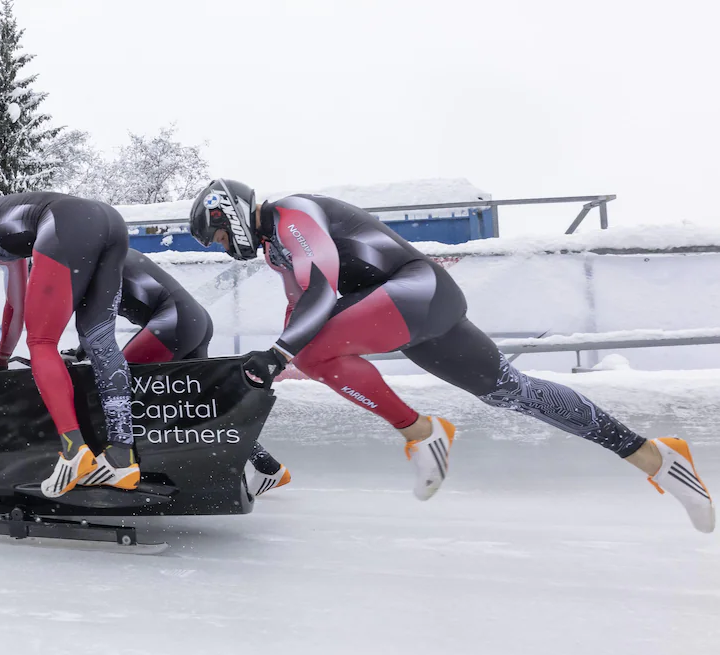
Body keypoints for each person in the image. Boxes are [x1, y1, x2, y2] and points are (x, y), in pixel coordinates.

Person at [189, 179, 714, 533]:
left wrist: (281, 355)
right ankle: (655, 456)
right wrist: (272, 366)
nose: (217, 244)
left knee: (313, 354)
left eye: (214, 232)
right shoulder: (277, 250)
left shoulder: (289, 213)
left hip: (414, 292)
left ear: (226, 211)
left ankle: (421, 433)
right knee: (512, 391)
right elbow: (299, 311)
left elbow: (321, 291)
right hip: (416, 311)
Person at [0, 188, 137, 497]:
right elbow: (16, 303)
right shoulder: (0, 224)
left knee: (41, 341)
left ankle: (74, 450)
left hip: (64, 223)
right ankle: (122, 457)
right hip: (109, 221)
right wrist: (1, 358)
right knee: (99, 337)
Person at [46, 249, 291, 496]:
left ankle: (117, 463)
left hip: (173, 322)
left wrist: (77, 354)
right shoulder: (109, 247)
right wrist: (80, 352)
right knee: (199, 406)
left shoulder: (85, 259)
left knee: (116, 388)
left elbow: (95, 323)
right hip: (192, 319)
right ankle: (267, 465)